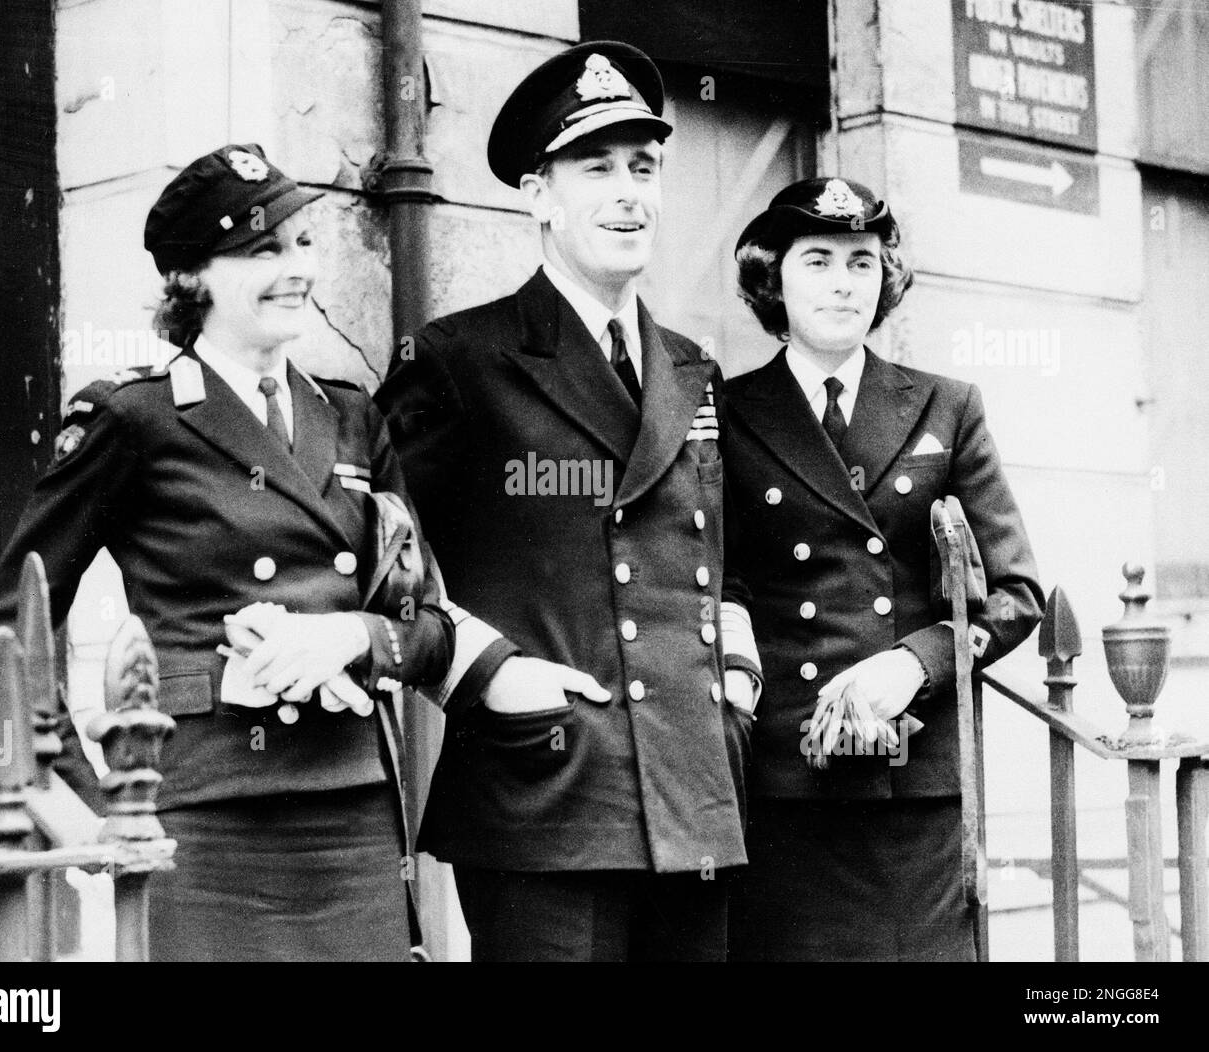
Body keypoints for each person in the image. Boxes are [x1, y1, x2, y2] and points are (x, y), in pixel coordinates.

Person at [0, 143, 453, 962]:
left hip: (353, 812)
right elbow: (8, 626)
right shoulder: (134, 419)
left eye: (301, 243)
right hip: (201, 816)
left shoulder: (349, 418)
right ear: (193, 278)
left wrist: (354, 637)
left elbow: (429, 627)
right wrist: (89, 800)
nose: (295, 268)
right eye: (262, 250)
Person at [376, 41, 761, 963]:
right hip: (543, 793)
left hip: (694, 792)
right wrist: (486, 672)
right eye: (596, 169)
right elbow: (380, 558)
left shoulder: (691, 368)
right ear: (538, 194)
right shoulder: (460, 362)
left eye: (645, 167)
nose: (629, 192)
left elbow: (719, 557)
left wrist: (738, 682)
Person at [722, 176, 1045, 962]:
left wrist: (915, 662)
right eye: (819, 260)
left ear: (886, 279)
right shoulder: (724, 413)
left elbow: (1017, 593)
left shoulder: (946, 407)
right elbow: (714, 579)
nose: (843, 283)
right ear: (774, 277)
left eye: (862, 263)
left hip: (915, 787)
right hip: (787, 783)